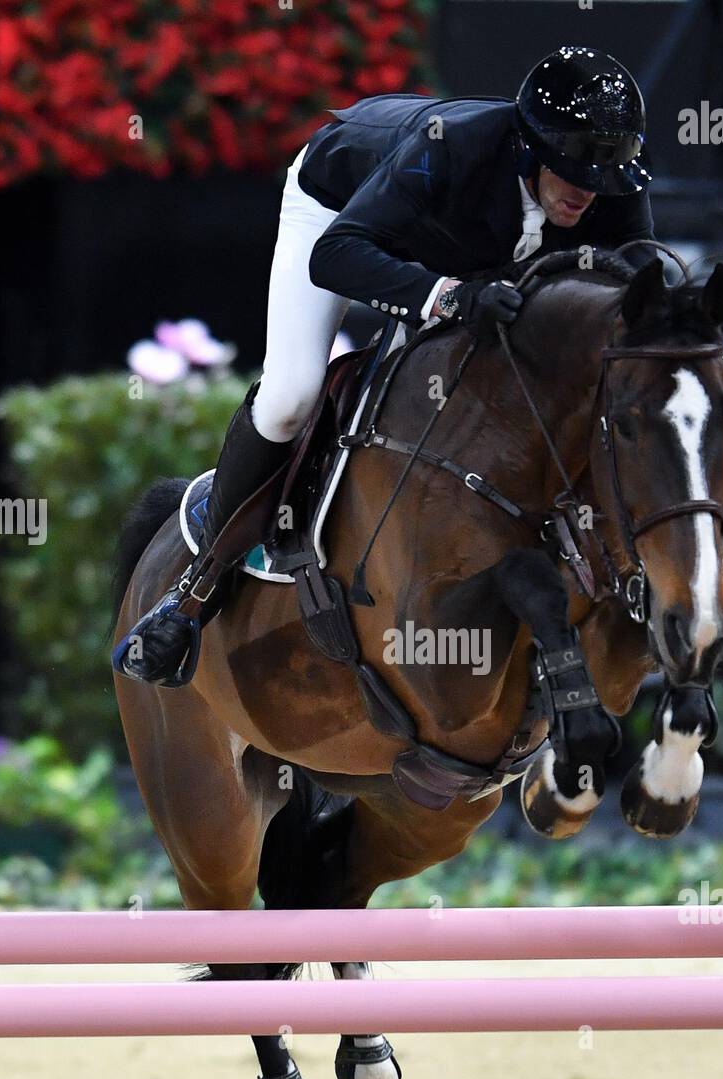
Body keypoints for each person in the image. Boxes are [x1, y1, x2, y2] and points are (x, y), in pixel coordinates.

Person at [113, 46, 655, 686]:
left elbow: (643, 307)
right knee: (292, 394)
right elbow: (338, 255)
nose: (586, 195)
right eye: (573, 175)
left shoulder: (605, 187)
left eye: (601, 180)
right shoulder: (454, 148)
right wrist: (449, 296)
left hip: (466, 253)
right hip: (342, 210)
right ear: (530, 148)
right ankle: (192, 593)